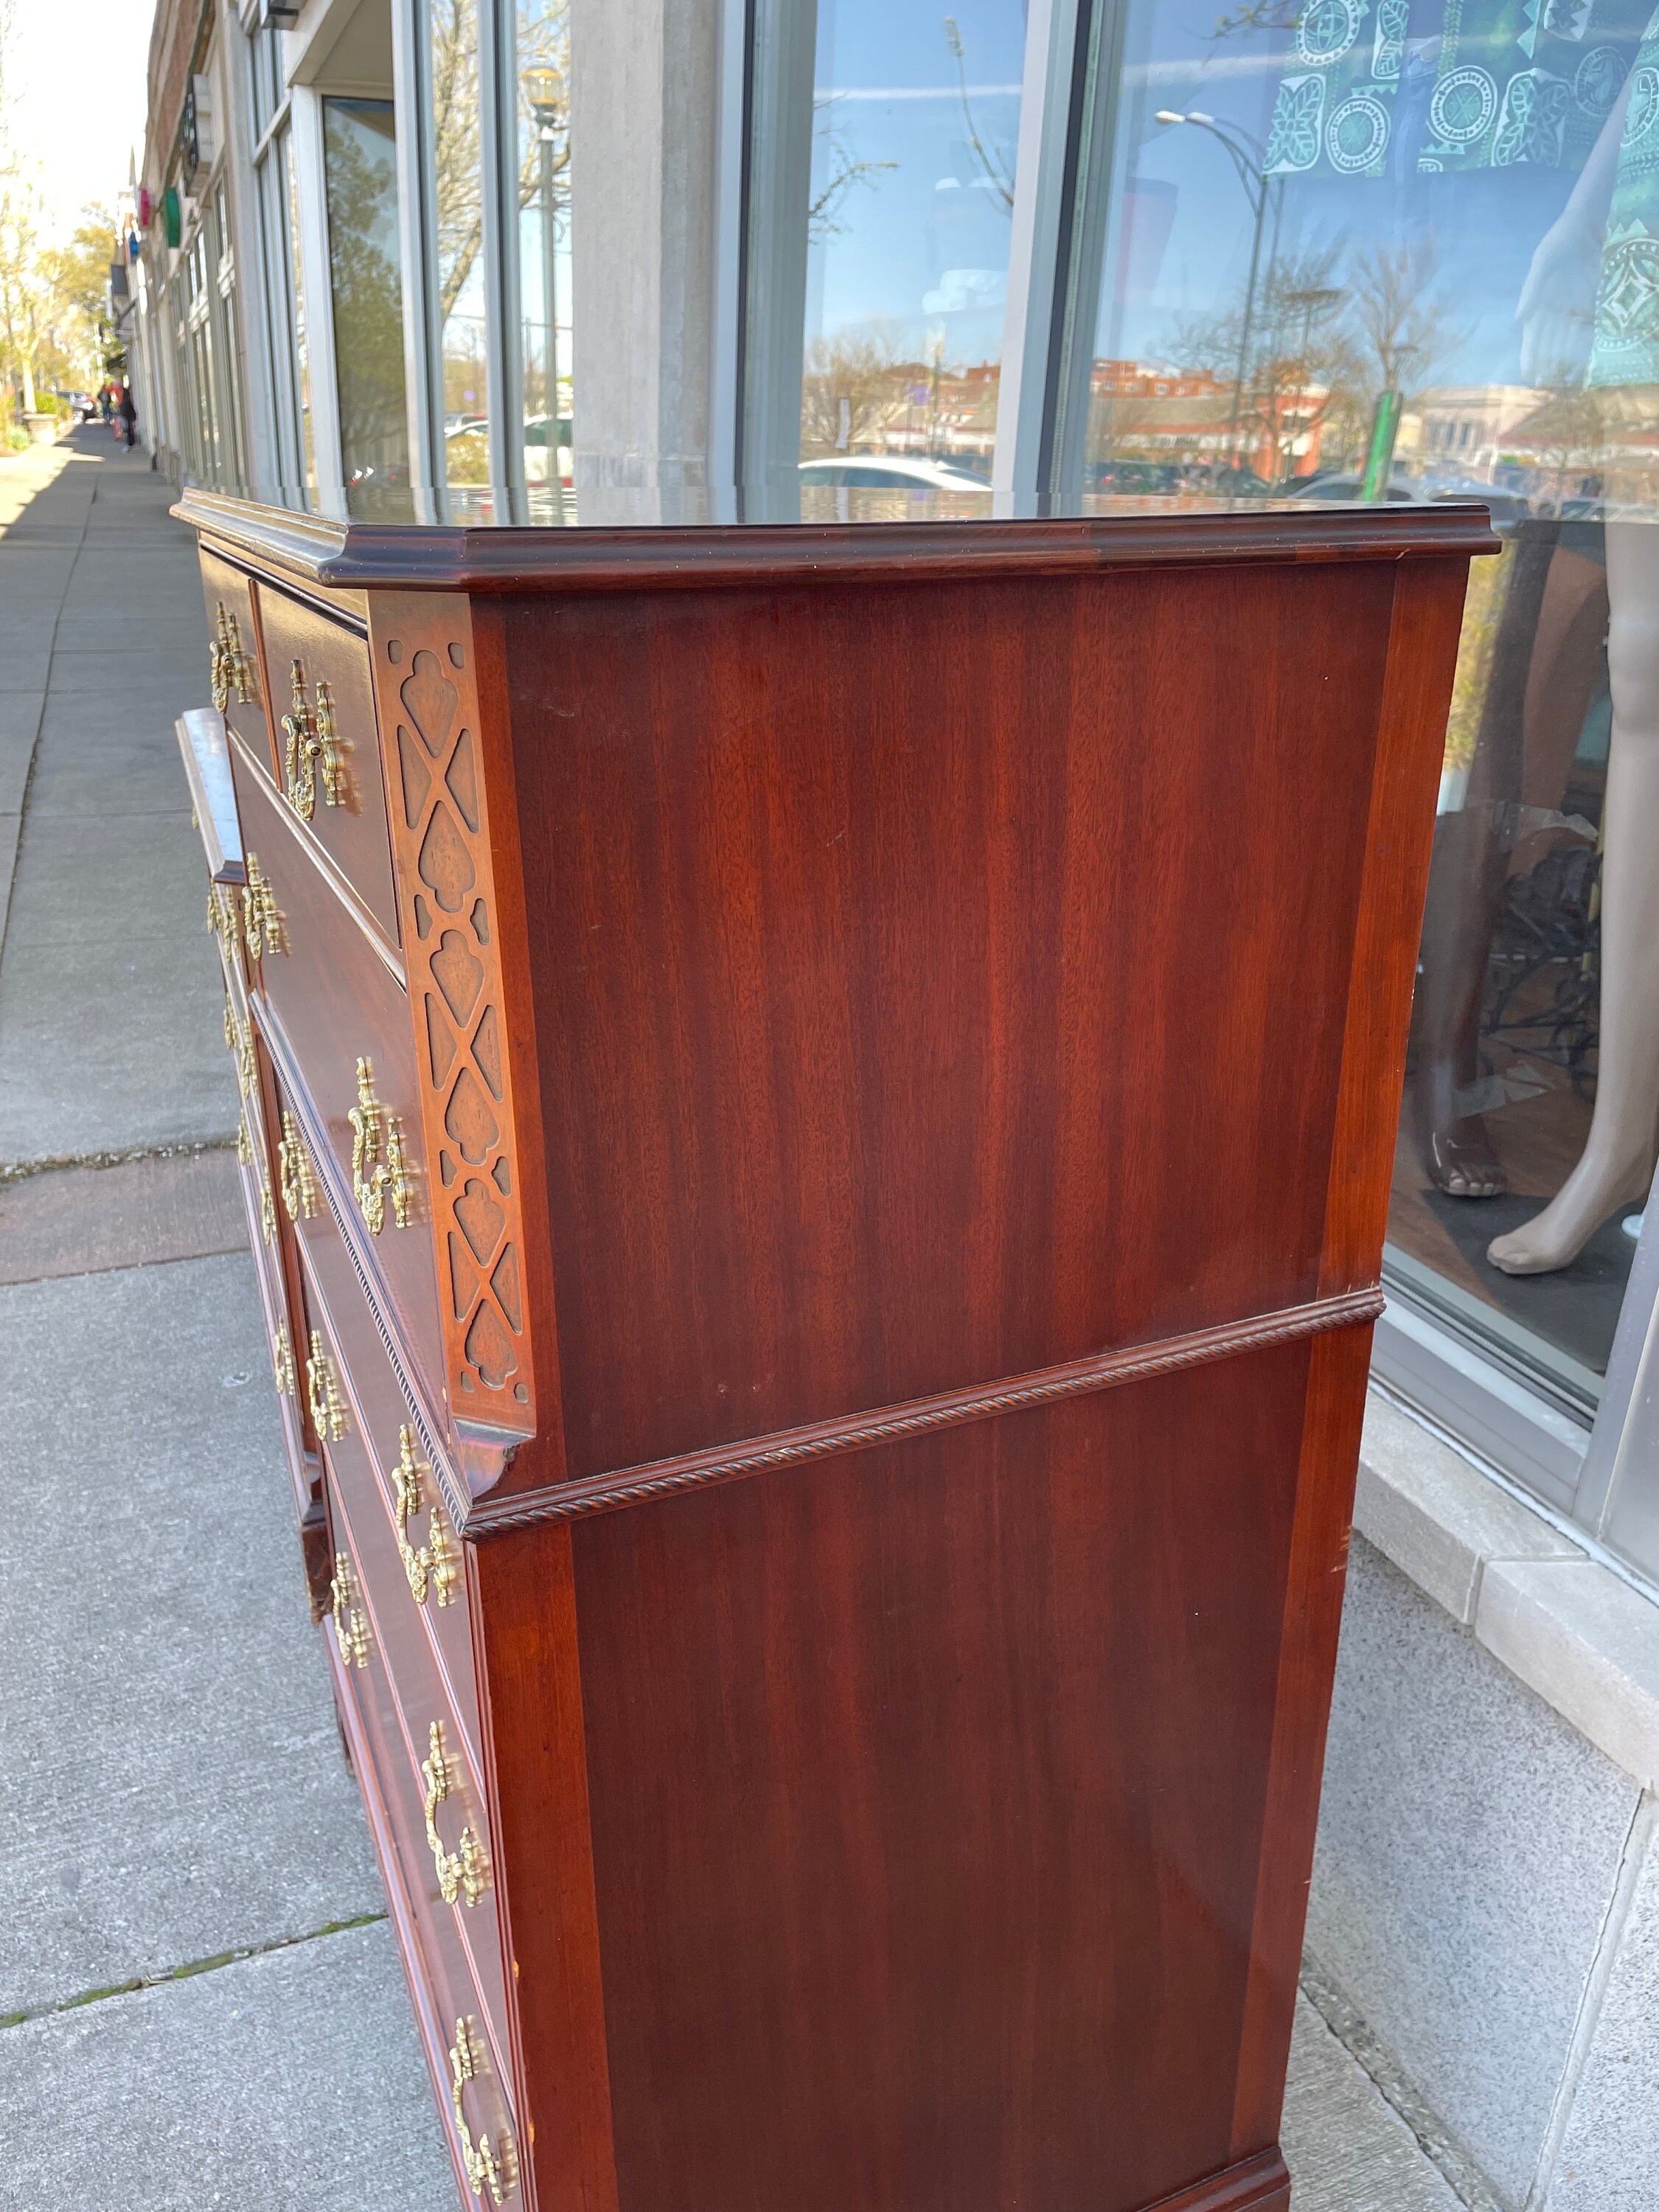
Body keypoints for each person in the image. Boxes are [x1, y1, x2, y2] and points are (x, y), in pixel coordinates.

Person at [116, 384, 136, 450]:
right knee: (130, 431)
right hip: (128, 417)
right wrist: (134, 416)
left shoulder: (124, 401)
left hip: (127, 417)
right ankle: (131, 441)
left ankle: (130, 442)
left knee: (128, 430)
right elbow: (130, 409)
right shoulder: (127, 401)